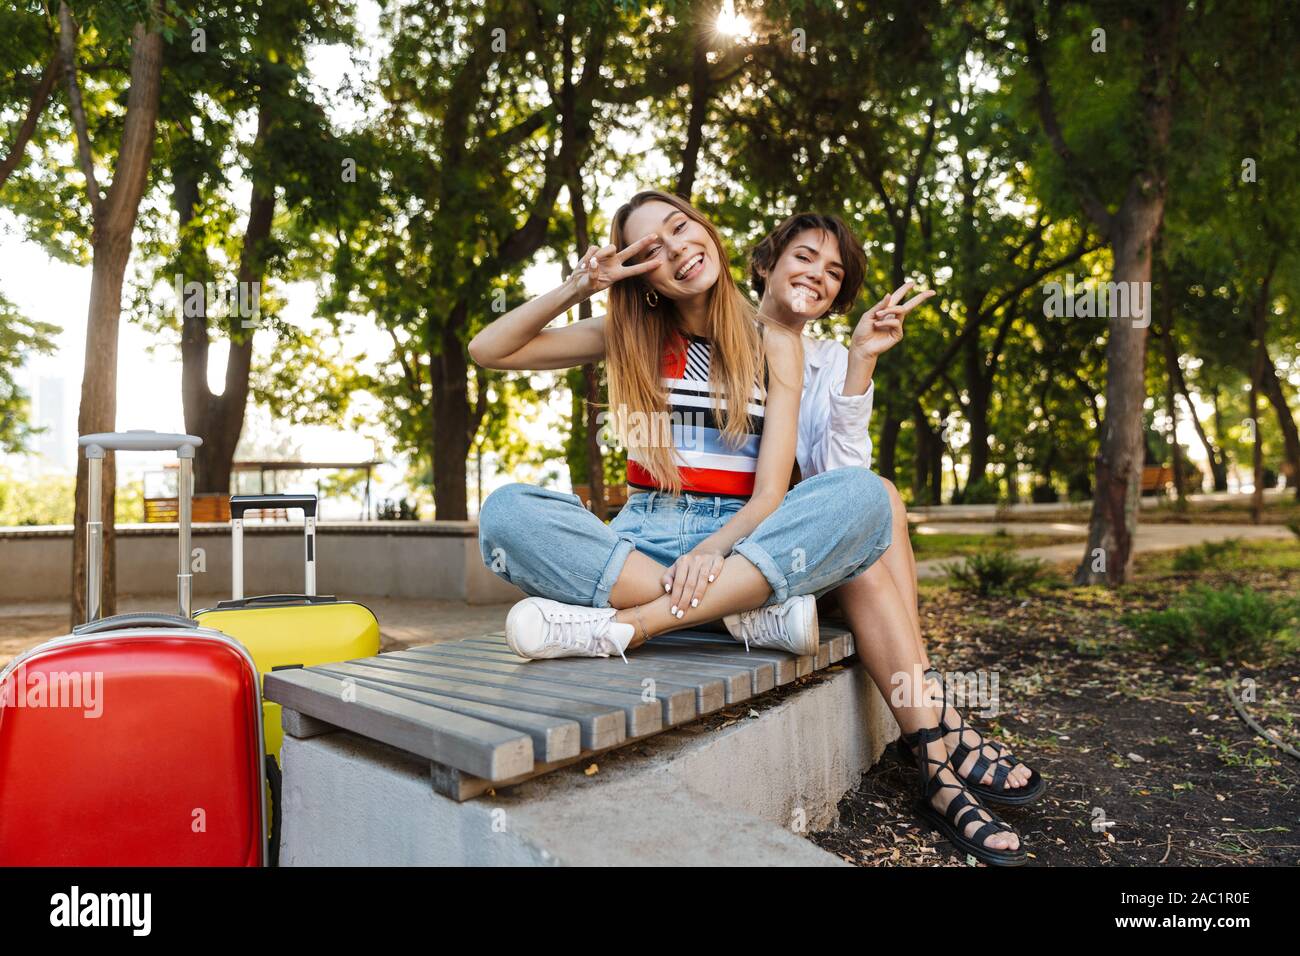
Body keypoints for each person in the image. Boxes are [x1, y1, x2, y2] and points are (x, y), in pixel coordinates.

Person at [468, 189, 893, 668]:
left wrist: (713, 551)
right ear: (641, 273)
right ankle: (735, 611)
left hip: (738, 540)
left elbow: (770, 495)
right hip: (641, 540)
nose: (675, 249)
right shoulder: (626, 333)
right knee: (505, 513)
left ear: (704, 228)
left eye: (679, 227)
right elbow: (489, 351)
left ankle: (635, 622)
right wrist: (578, 288)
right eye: (650, 251)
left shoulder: (776, 342)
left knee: (864, 495)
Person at [748, 211, 1044, 864]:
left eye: (834, 273)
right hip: (749, 560)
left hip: (817, 553)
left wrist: (858, 364)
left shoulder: (825, 358)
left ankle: (933, 754)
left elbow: (845, 491)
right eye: (804, 258)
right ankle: (942, 742)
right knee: (871, 502)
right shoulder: (723, 338)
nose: (818, 277)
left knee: (878, 494)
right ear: (766, 263)